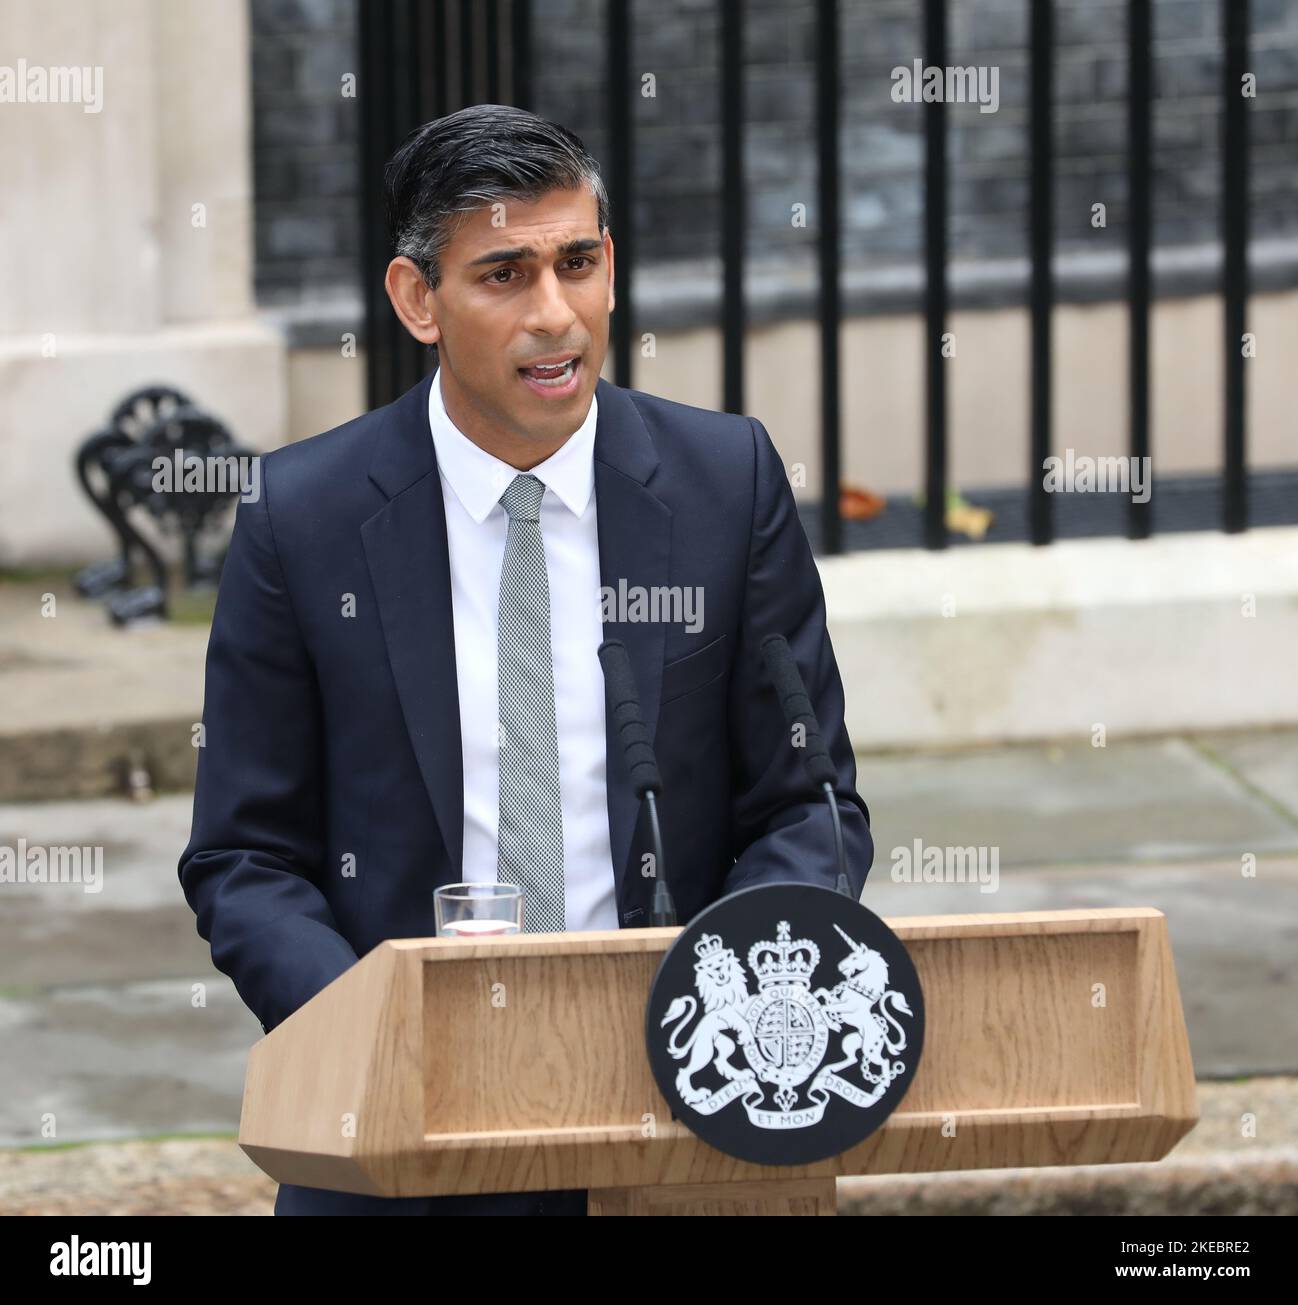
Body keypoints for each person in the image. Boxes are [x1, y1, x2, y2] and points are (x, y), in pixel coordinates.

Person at [178, 103, 872, 1216]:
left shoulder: (723, 481)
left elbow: (810, 805)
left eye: (577, 263)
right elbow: (244, 858)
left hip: (683, 1112)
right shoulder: (300, 521)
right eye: (504, 274)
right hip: (404, 1133)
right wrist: (377, 1035)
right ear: (418, 300)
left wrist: (722, 1009)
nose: (556, 315)